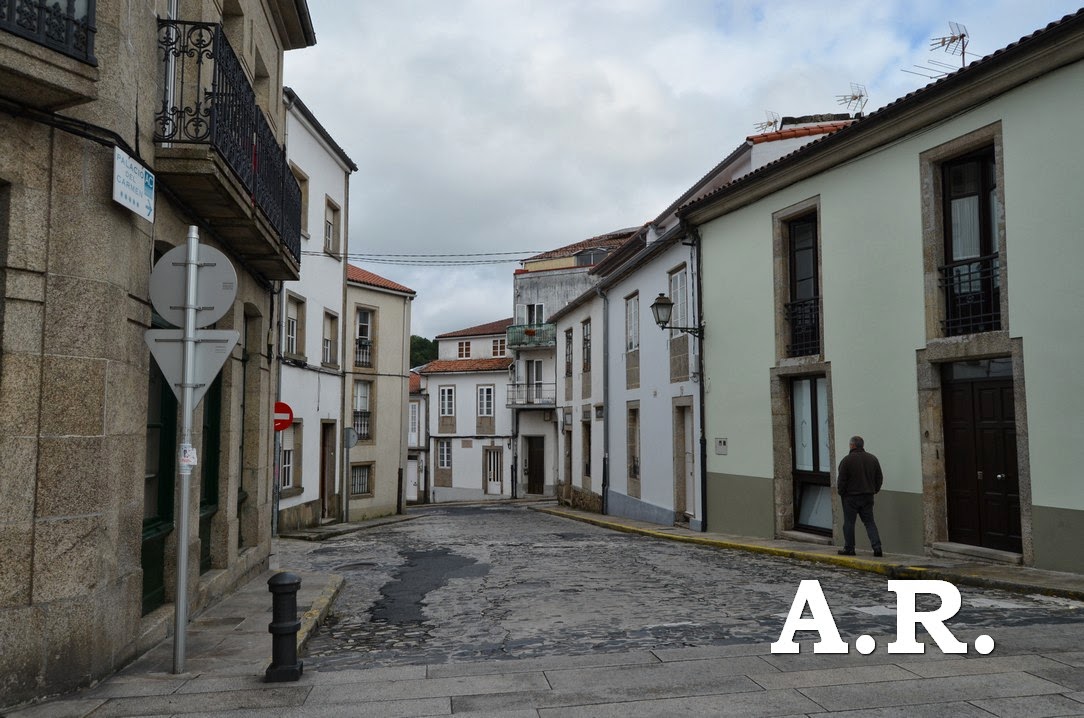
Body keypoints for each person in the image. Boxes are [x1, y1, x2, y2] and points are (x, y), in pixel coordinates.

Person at [836, 435, 883, 557]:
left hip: (850, 497)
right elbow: (879, 477)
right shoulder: (872, 459)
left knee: (849, 523)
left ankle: (849, 548)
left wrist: (841, 492)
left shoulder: (846, 460)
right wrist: (875, 489)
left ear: (852, 445)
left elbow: (841, 481)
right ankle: (877, 547)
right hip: (868, 496)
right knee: (869, 522)